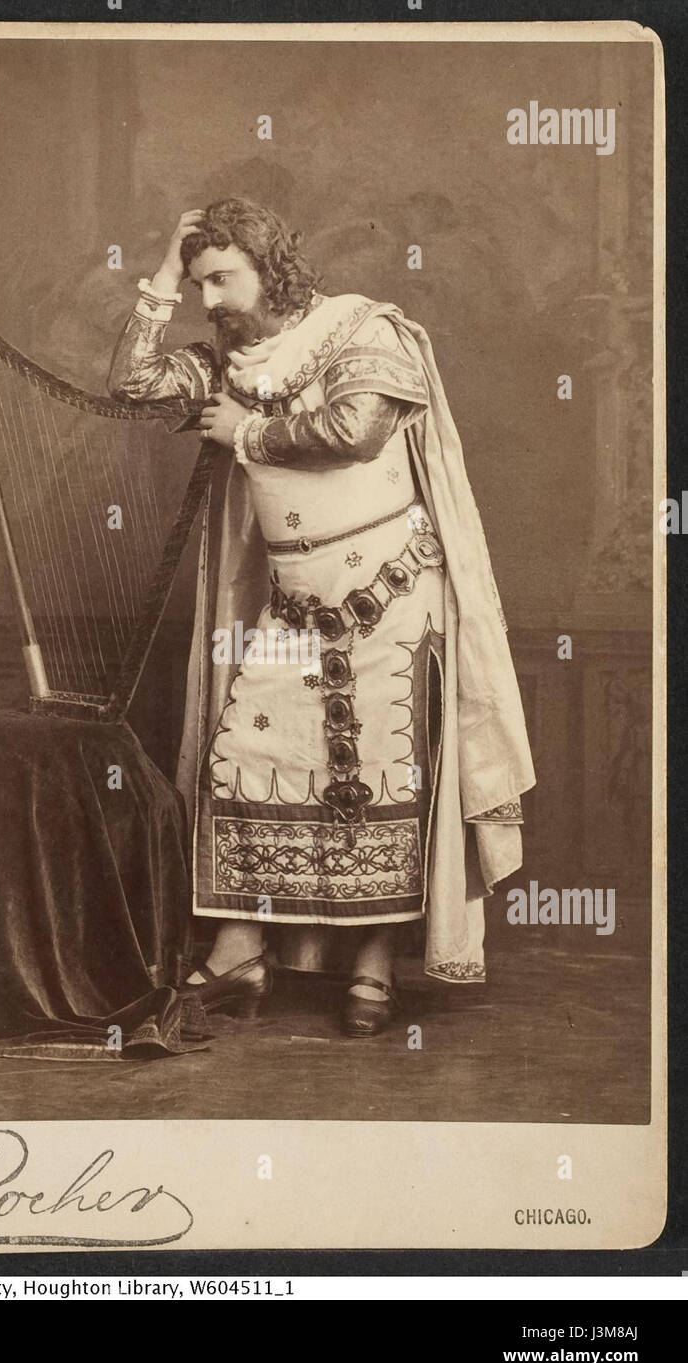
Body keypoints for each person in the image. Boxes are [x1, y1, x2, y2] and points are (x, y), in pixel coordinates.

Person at [108, 197, 535, 1036]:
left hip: (392, 593)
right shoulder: (230, 357)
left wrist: (247, 434)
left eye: (223, 279)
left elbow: (358, 428)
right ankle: (238, 951)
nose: (211, 301)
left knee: (380, 776)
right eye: (199, 285)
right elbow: (131, 383)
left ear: (271, 265)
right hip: (293, 603)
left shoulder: (360, 329)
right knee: (252, 760)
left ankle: (373, 972)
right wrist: (161, 275)